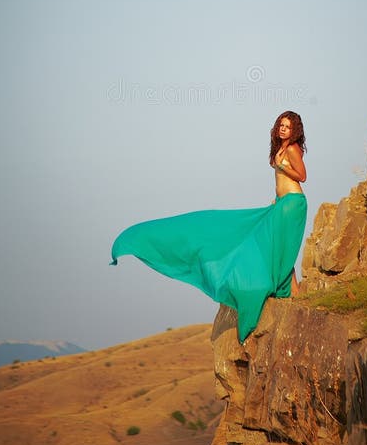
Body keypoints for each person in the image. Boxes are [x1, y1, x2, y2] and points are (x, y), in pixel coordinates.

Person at [110, 111, 307, 342]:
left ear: (295, 130)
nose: (284, 129)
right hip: (282, 203)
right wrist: (276, 199)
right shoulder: (280, 149)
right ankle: (296, 295)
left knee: (280, 247)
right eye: (281, 125)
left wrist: (282, 169)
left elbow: (302, 176)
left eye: (288, 126)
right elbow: (280, 182)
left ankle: (294, 295)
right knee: (278, 248)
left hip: (293, 204)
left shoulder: (292, 149)